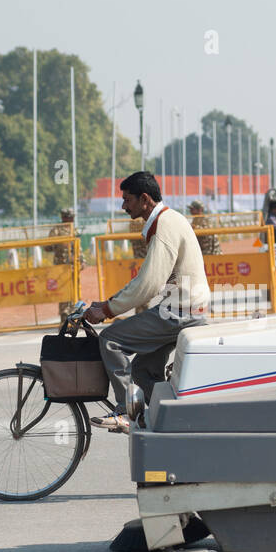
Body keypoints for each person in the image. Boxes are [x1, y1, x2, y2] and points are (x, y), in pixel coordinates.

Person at [84, 172, 210, 432]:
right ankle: (165, 419)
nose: (123, 206)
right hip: (184, 308)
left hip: (180, 311)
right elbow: (146, 281)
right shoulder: (168, 220)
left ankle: (125, 412)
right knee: (142, 371)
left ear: (144, 199)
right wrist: (108, 303)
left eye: (127, 200)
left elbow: (147, 284)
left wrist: (106, 310)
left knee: (110, 339)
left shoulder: (164, 226)